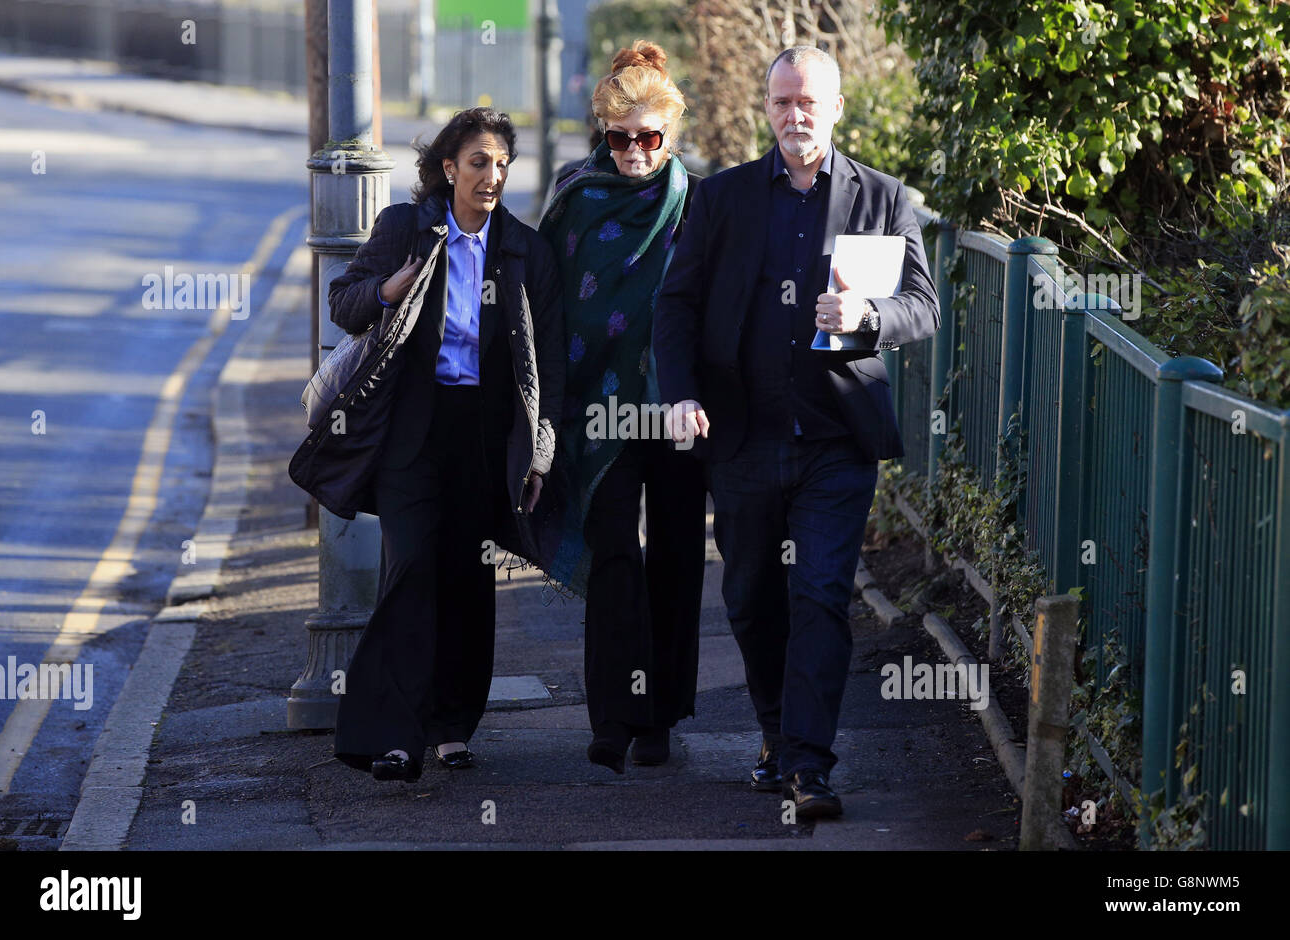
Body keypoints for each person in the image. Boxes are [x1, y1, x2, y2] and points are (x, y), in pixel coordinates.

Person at [653, 46, 940, 818]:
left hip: (836, 441)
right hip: (742, 437)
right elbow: (675, 304)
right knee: (751, 598)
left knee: (818, 594)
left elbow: (923, 304)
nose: (794, 116)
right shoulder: (723, 199)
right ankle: (778, 738)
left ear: (837, 107)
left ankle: (810, 766)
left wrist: (869, 318)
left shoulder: (882, 199)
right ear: (767, 110)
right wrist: (678, 395)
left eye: (808, 102)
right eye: (781, 103)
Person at [294, 107, 565, 782]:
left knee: (468, 581)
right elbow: (344, 301)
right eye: (479, 163)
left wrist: (540, 452)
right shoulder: (405, 229)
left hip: (486, 435)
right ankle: (394, 734)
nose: (492, 176)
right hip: (413, 431)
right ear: (449, 169)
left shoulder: (524, 249)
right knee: (411, 568)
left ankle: (453, 726)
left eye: (503, 164)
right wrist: (390, 288)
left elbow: (551, 367)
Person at [537, 41, 706, 773]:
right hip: (594, 407)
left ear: (670, 134)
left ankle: (659, 717)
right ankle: (611, 718)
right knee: (613, 555)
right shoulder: (574, 198)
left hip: (675, 409)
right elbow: (542, 304)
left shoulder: (698, 202)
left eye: (648, 137)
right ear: (602, 131)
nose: (634, 151)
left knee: (674, 554)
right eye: (619, 137)